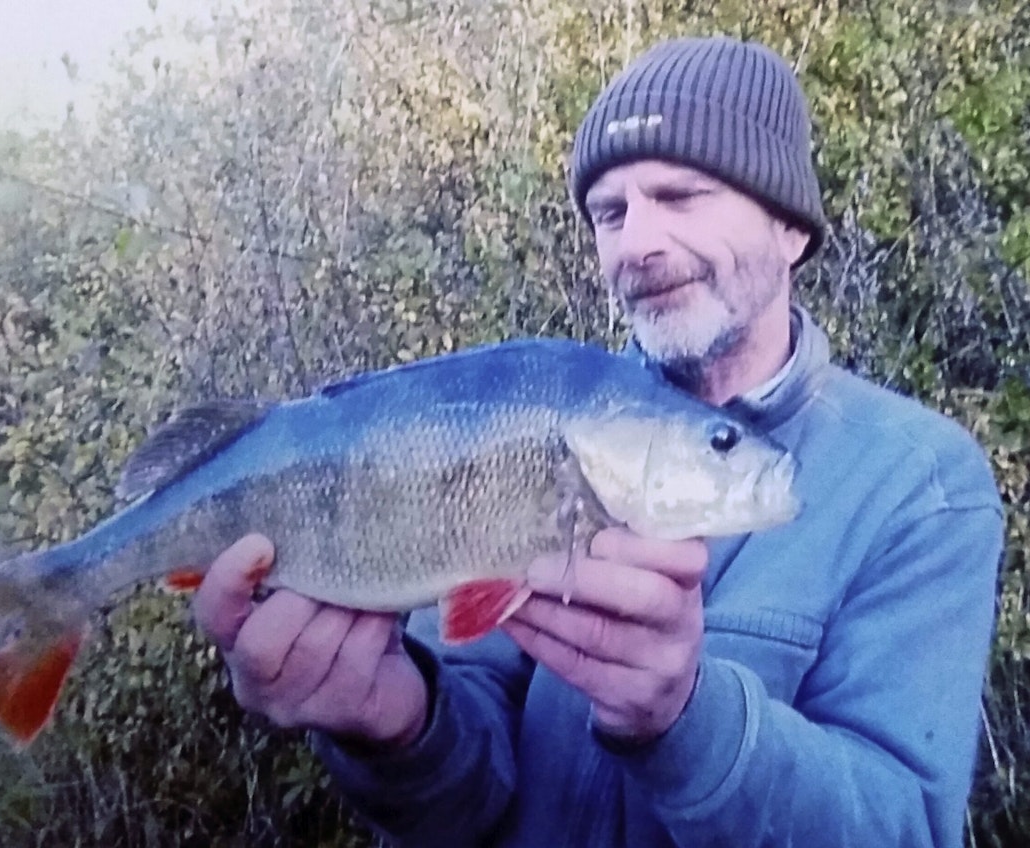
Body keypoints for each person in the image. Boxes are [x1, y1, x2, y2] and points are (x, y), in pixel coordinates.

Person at [192, 36, 1004, 847]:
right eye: (609, 212)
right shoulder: (530, 429)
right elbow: (461, 803)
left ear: (790, 229)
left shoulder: (920, 481)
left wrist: (684, 720)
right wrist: (394, 722)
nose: (634, 244)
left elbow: (903, 827)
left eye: (680, 195)